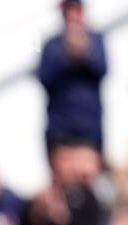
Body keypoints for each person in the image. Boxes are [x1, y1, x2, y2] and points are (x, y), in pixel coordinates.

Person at [38, 0, 108, 155]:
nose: (72, 16)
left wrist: (83, 53)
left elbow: (102, 69)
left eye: (75, 11)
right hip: (61, 130)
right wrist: (67, 55)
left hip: (91, 127)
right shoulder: (52, 45)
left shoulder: (96, 39)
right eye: (68, 12)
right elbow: (45, 78)